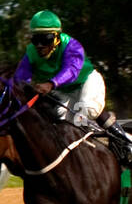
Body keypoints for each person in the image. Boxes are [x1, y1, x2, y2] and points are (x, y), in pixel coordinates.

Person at [14, 9, 132, 159]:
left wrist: (51, 83)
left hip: (87, 82)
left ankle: (126, 142)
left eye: (45, 39)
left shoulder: (71, 45)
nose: (39, 45)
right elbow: (20, 80)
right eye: (35, 39)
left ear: (57, 37)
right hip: (63, 92)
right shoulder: (31, 53)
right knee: (65, 126)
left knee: (88, 108)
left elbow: (71, 70)